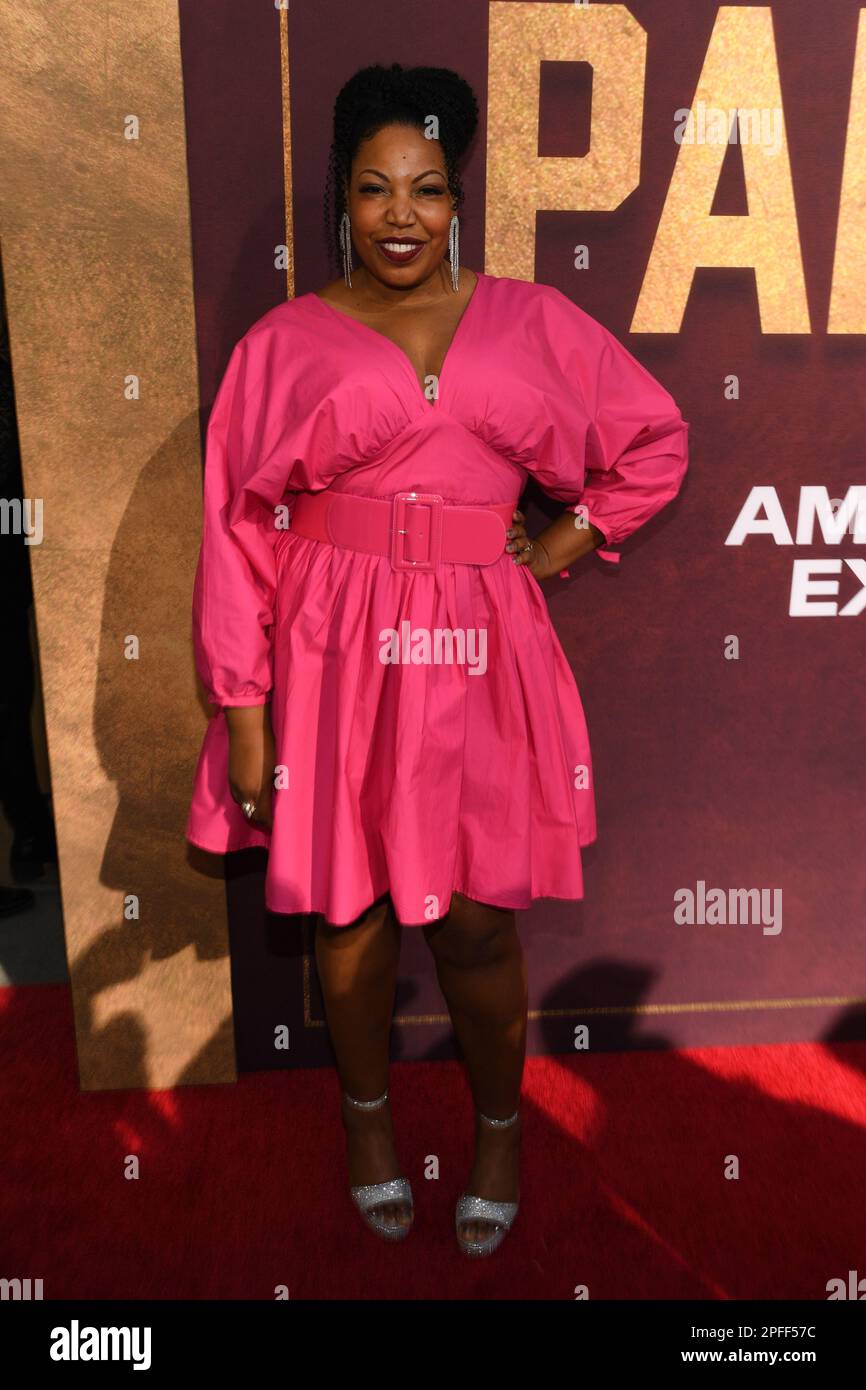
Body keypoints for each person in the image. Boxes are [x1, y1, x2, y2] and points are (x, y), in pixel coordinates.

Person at [185, 63, 689, 1256]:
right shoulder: (285, 341)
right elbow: (234, 525)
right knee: (348, 917)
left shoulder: (531, 320)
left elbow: (651, 442)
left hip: (477, 649)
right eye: (372, 190)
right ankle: (367, 1127)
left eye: (423, 188)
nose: (398, 215)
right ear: (339, 200)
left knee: (472, 920)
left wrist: (559, 541)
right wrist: (243, 709)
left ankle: (499, 1129)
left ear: (457, 197)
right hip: (329, 658)